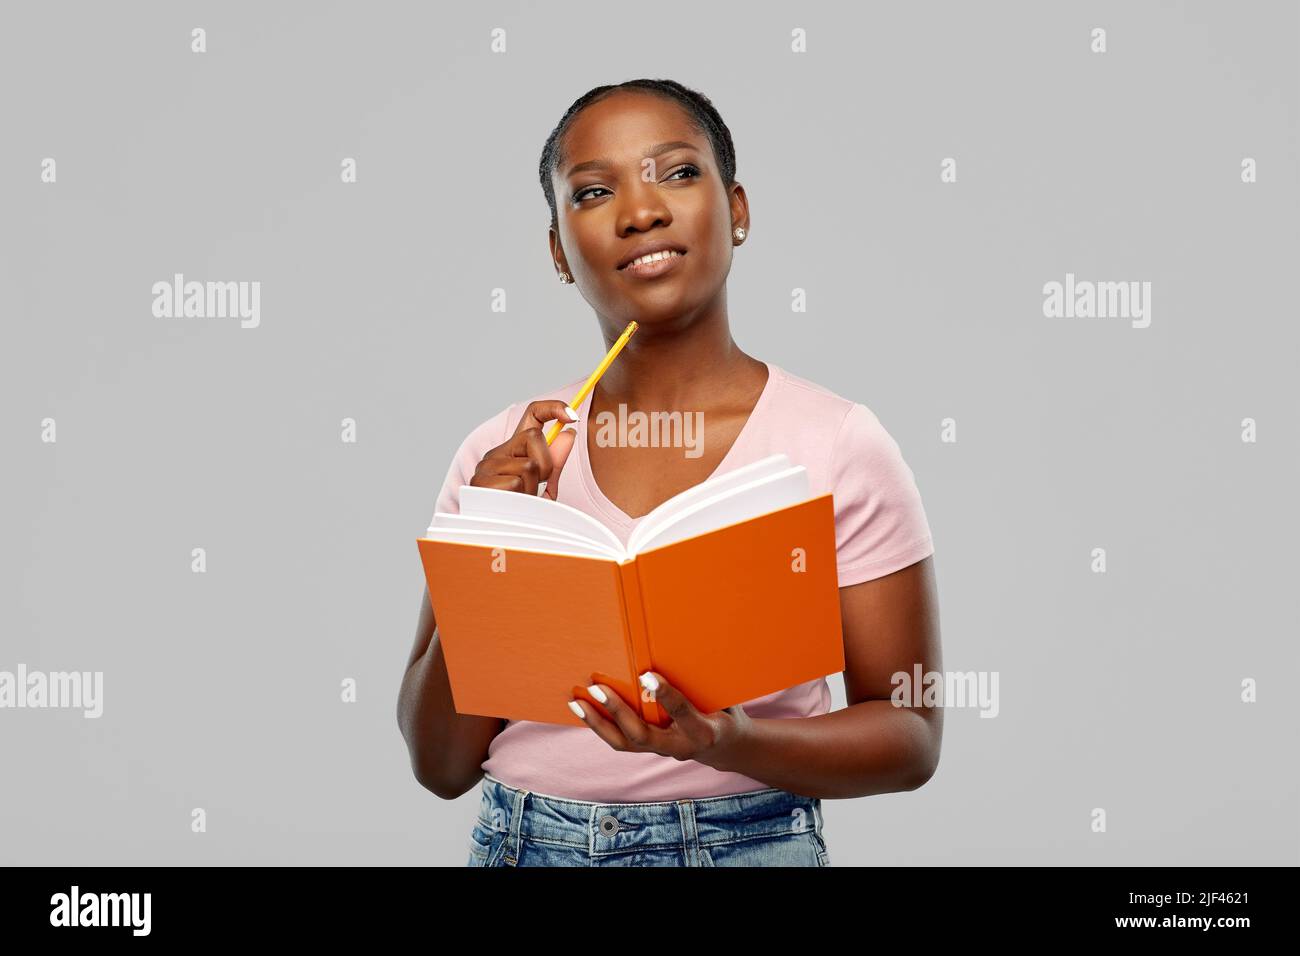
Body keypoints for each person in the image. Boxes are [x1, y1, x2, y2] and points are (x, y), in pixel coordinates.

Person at [397, 78, 942, 867]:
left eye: (677, 173)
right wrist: (493, 537)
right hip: (527, 847)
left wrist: (730, 739)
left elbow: (911, 735)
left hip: (748, 845)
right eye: (592, 191)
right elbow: (438, 765)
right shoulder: (497, 456)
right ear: (558, 251)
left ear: (739, 210)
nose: (640, 211)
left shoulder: (839, 444)